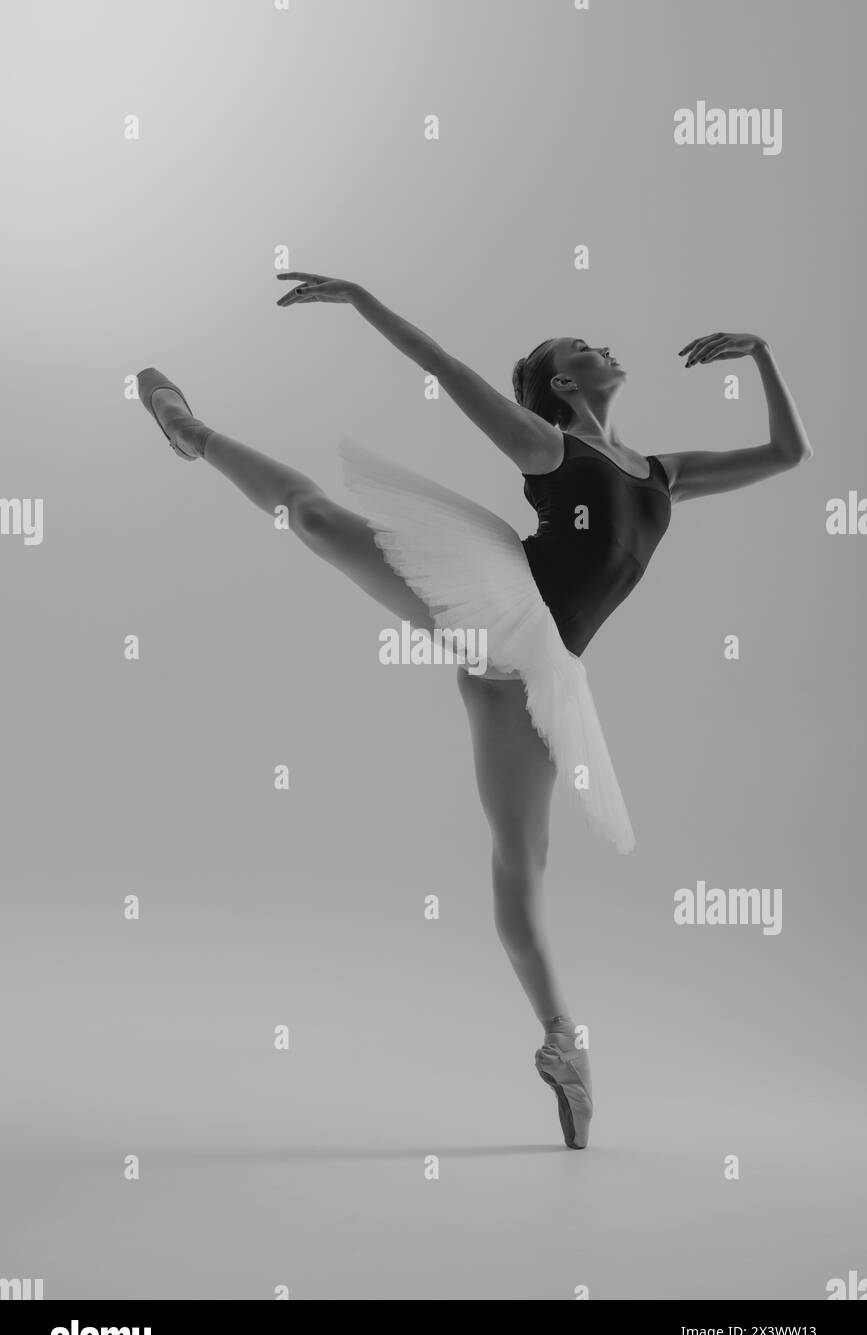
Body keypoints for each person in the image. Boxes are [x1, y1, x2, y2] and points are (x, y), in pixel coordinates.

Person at [136, 271, 812, 1148]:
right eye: (578, 346)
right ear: (563, 384)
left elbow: (788, 456)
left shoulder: (661, 474)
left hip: (538, 667)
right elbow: (443, 364)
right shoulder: (543, 445)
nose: (599, 347)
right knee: (313, 519)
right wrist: (363, 299)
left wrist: (762, 356)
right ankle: (189, 431)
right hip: (498, 600)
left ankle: (561, 1043)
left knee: (519, 860)